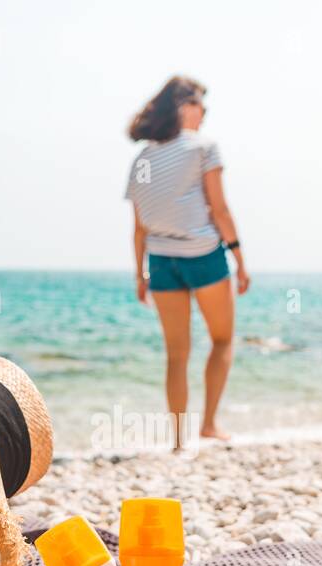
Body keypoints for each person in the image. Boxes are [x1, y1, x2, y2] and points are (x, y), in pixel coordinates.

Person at [126, 75, 248, 448]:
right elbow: (220, 209)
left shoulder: (142, 158)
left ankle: (179, 440)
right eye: (201, 106)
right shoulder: (203, 148)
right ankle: (208, 424)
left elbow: (139, 228)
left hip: (161, 261)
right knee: (223, 340)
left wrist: (140, 275)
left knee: (176, 355)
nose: (205, 115)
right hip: (203, 256)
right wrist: (240, 258)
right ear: (184, 108)